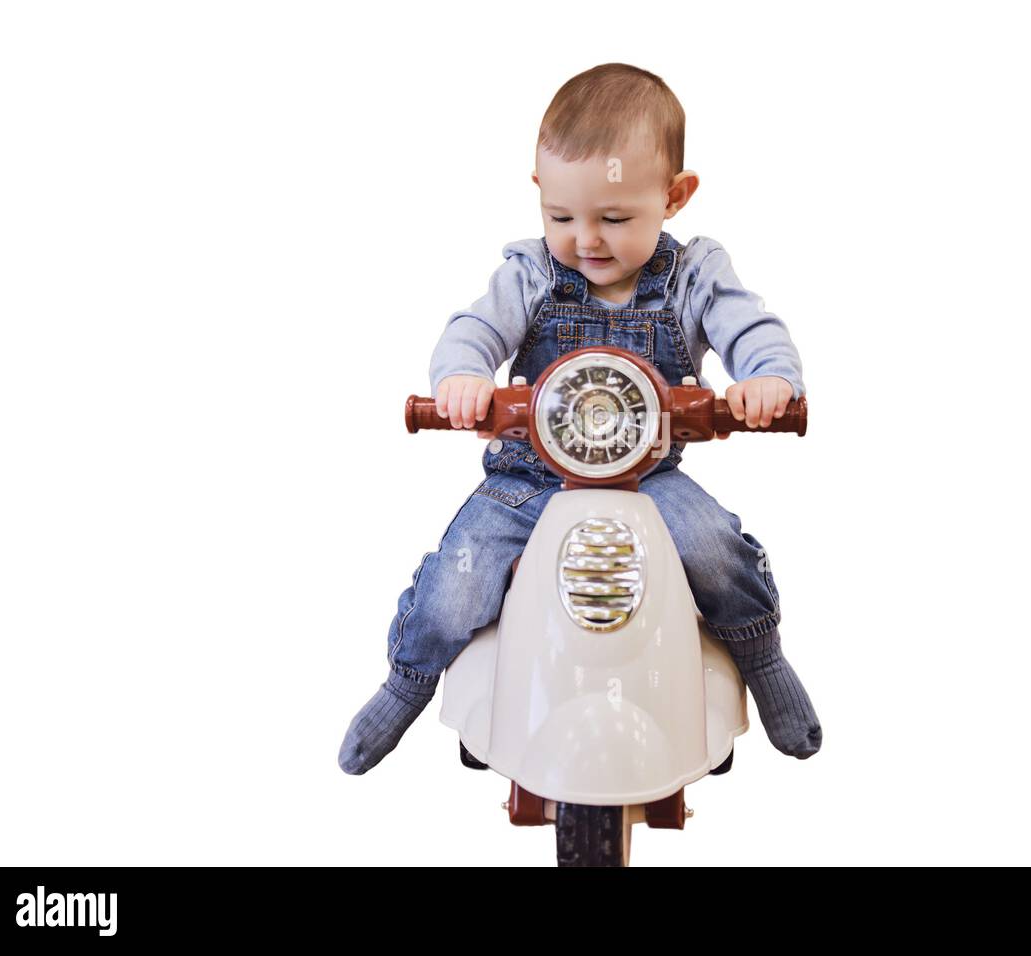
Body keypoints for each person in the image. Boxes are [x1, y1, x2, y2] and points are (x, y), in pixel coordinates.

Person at [339, 63, 822, 775]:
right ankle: (407, 681)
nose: (586, 239)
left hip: (646, 478)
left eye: (615, 218)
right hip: (527, 479)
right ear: (540, 196)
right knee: (458, 581)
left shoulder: (692, 274)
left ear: (675, 196)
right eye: (561, 217)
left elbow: (746, 324)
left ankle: (761, 657)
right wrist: (464, 379)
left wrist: (766, 379)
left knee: (717, 552)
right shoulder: (532, 274)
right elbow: (475, 328)